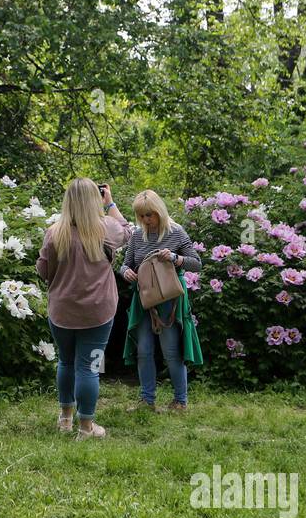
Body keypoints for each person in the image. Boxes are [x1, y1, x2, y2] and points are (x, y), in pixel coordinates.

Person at [36, 179, 133, 438]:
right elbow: (128, 229)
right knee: (90, 368)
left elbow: (44, 271)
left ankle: (65, 419)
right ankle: (86, 428)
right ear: (95, 200)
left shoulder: (55, 233)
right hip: (98, 312)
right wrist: (110, 202)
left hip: (62, 311)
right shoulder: (107, 229)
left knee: (66, 362)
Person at [119, 190, 203, 411]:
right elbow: (125, 264)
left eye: (150, 215)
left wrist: (175, 258)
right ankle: (147, 400)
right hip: (144, 299)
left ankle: (180, 401)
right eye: (142, 216)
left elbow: (196, 264)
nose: (147, 220)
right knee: (144, 350)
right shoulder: (137, 235)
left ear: (160, 212)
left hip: (170, 300)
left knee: (171, 351)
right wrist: (126, 272)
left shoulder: (176, 232)